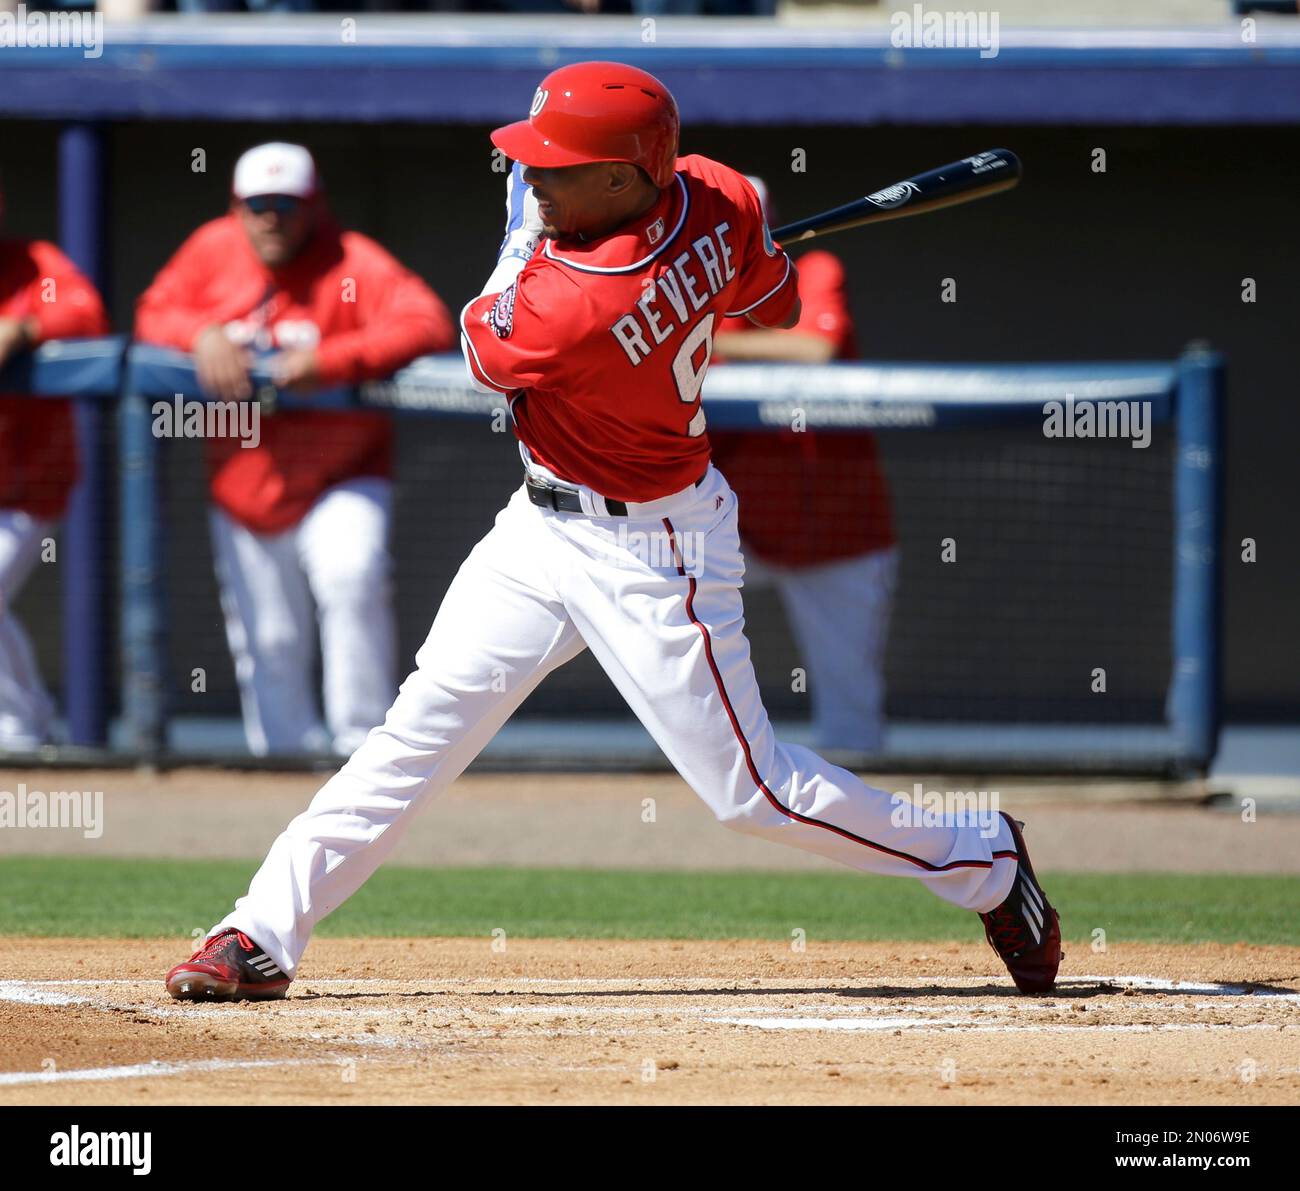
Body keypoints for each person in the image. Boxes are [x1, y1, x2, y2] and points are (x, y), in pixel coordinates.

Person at [165, 64, 1060, 1002]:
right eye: (535, 166)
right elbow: (778, 302)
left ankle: (984, 856)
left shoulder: (573, 300)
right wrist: (713, 264)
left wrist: (536, 243)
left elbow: (481, 346)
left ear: (629, 176)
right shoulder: (715, 192)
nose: (536, 181)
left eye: (559, 168)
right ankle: (259, 929)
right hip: (540, 527)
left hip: (656, 552)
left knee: (750, 792)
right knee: (416, 732)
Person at [136, 143, 455, 757]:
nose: (271, 219)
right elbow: (153, 311)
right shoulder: (212, 250)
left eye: (287, 205)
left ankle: (362, 749)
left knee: (351, 576)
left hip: (342, 472)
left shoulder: (351, 258)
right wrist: (198, 334)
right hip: (243, 480)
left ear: (314, 206)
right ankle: (283, 761)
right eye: (258, 206)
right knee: (270, 636)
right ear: (237, 206)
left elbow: (427, 321)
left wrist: (332, 361)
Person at [708, 176, 898, 753]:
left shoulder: (812, 271)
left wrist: (701, 340)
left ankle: (872, 829)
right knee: (657, 634)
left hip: (836, 530)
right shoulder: (686, 299)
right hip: (734, 530)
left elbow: (815, 348)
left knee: (851, 715)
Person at [0, 185, 111, 750]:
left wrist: (23, 328)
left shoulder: (34, 265)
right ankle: (30, 719)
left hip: (24, 486)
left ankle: (17, 732)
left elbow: (85, 310)